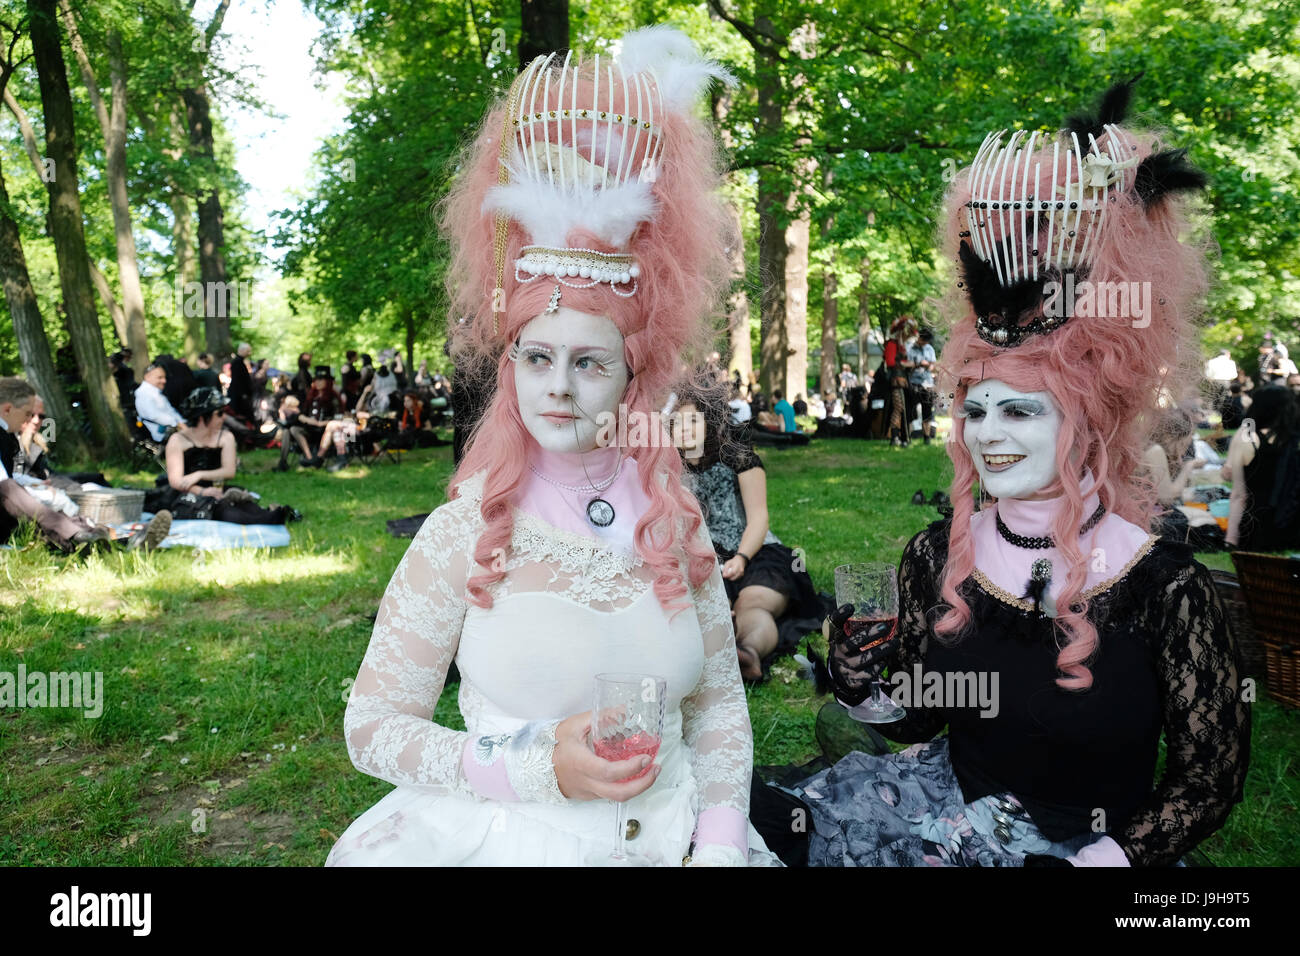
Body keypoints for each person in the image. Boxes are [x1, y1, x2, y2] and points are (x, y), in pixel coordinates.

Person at [328, 27, 776, 867]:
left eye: (588, 362)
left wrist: (718, 846)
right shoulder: (466, 529)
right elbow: (373, 728)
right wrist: (533, 768)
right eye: (536, 357)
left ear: (632, 378)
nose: (558, 388)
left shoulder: (672, 519)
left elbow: (718, 713)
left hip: (674, 833)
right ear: (510, 366)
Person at [792, 80, 1248, 867]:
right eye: (977, 409)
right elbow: (921, 716)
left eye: (1022, 412)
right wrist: (858, 678)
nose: (987, 435)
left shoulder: (1163, 585)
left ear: (1086, 421)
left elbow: (1209, 780)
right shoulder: (938, 553)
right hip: (942, 811)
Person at [676, 394, 825, 681]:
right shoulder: (665, 467)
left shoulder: (739, 457)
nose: (683, 427)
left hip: (756, 552)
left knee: (753, 604)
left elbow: (758, 518)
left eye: (692, 420)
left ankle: (748, 654)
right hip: (704, 559)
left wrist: (742, 557)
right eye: (676, 421)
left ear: (709, 422)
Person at [0, 377, 170, 552]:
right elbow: (6, 485)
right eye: (27, 414)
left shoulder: (10, 437)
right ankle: (84, 539)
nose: (29, 420)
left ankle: (114, 542)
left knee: (65, 500)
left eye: (38, 416)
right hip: (11, 511)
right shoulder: (8, 436)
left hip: (18, 508)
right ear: (7, 409)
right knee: (12, 490)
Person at [158, 388, 299, 524]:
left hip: (218, 489)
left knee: (247, 507)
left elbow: (229, 471)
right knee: (229, 514)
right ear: (202, 417)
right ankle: (273, 517)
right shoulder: (177, 440)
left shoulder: (225, 437)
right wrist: (203, 491)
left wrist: (199, 475)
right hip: (187, 493)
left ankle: (275, 515)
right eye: (219, 413)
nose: (224, 417)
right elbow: (176, 481)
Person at [1224, 385, 1300, 551]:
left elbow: (1238, 494)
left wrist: (1231, 539)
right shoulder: (1294, 440)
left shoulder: (1247, 438)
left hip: (1258, 528)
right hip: (1292, 523)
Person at [883, 315, 916, 447]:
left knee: (903, 408)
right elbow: (890, 362)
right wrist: (906, 363)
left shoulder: (902, 344)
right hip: (896, 380)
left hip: (904, 380)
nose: (905, 333)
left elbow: (914, 333)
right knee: (898, 408)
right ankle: (894, 437)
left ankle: (900, 437)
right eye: (903, 330)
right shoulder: (891, 344)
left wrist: (911, 323)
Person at [134, 363, 184, 441]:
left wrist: (182, 422)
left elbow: (170, 410)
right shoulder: (143, 393)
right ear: (147, 377)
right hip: (162, 436)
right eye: (160, 377)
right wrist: (179, 424)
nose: (164, 381)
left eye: (164, 377)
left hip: (173, 430)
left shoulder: (155, 392)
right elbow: (154, 415)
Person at [907, 327, 938, 444]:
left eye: (927, 342)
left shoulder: (929, 348)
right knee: (911, 410)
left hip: (927, 384)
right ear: (919, 337)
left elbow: (933, 365)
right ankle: (908, 436)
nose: (925, 343)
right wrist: (918, 364)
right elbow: (906, 365)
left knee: (927, 411)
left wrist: (928, 366)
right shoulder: (910, 348)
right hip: (913, 383)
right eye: (923, 340)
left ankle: (927, 437)